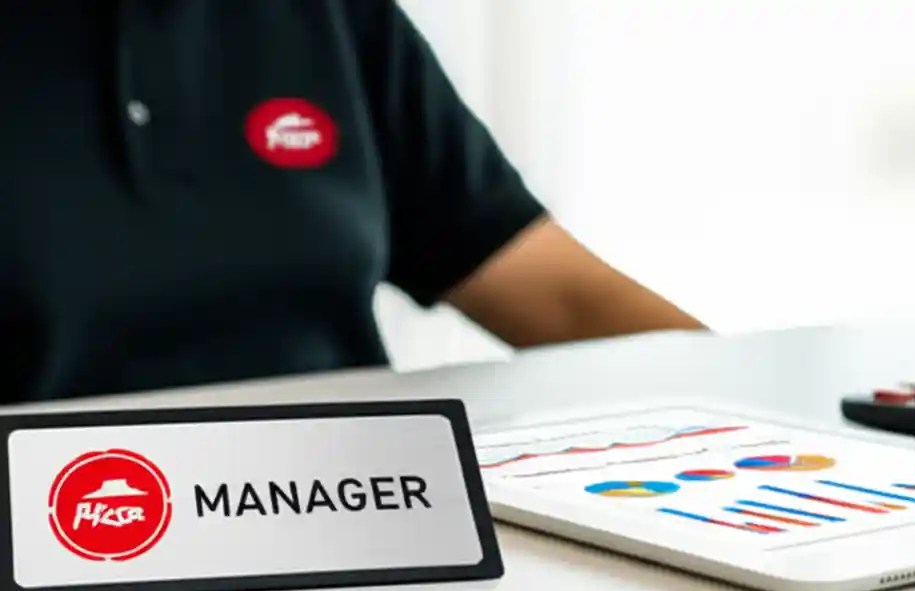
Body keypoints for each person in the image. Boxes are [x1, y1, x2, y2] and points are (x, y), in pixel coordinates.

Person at [0, 1, 704, 406]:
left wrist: (771, 405)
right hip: (57, 575)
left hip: (351, 542)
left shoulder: (332, 13)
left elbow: (552, 289)